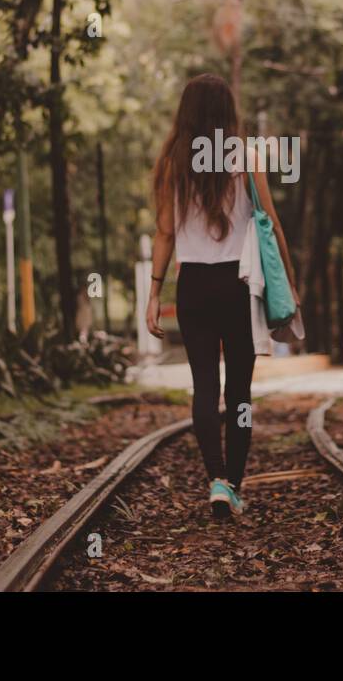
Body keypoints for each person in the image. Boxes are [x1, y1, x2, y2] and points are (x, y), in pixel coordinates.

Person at [146, 74, 299, 519]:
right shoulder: (247, 157)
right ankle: (233, 482)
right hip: (239, 285)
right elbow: (270, 223)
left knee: (203, 388)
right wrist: (288, 280)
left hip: (193, 285)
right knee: (240, 393)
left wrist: (154, 293)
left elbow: (164, 232)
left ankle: (214, 478)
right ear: (227, 112)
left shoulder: (172, 162)